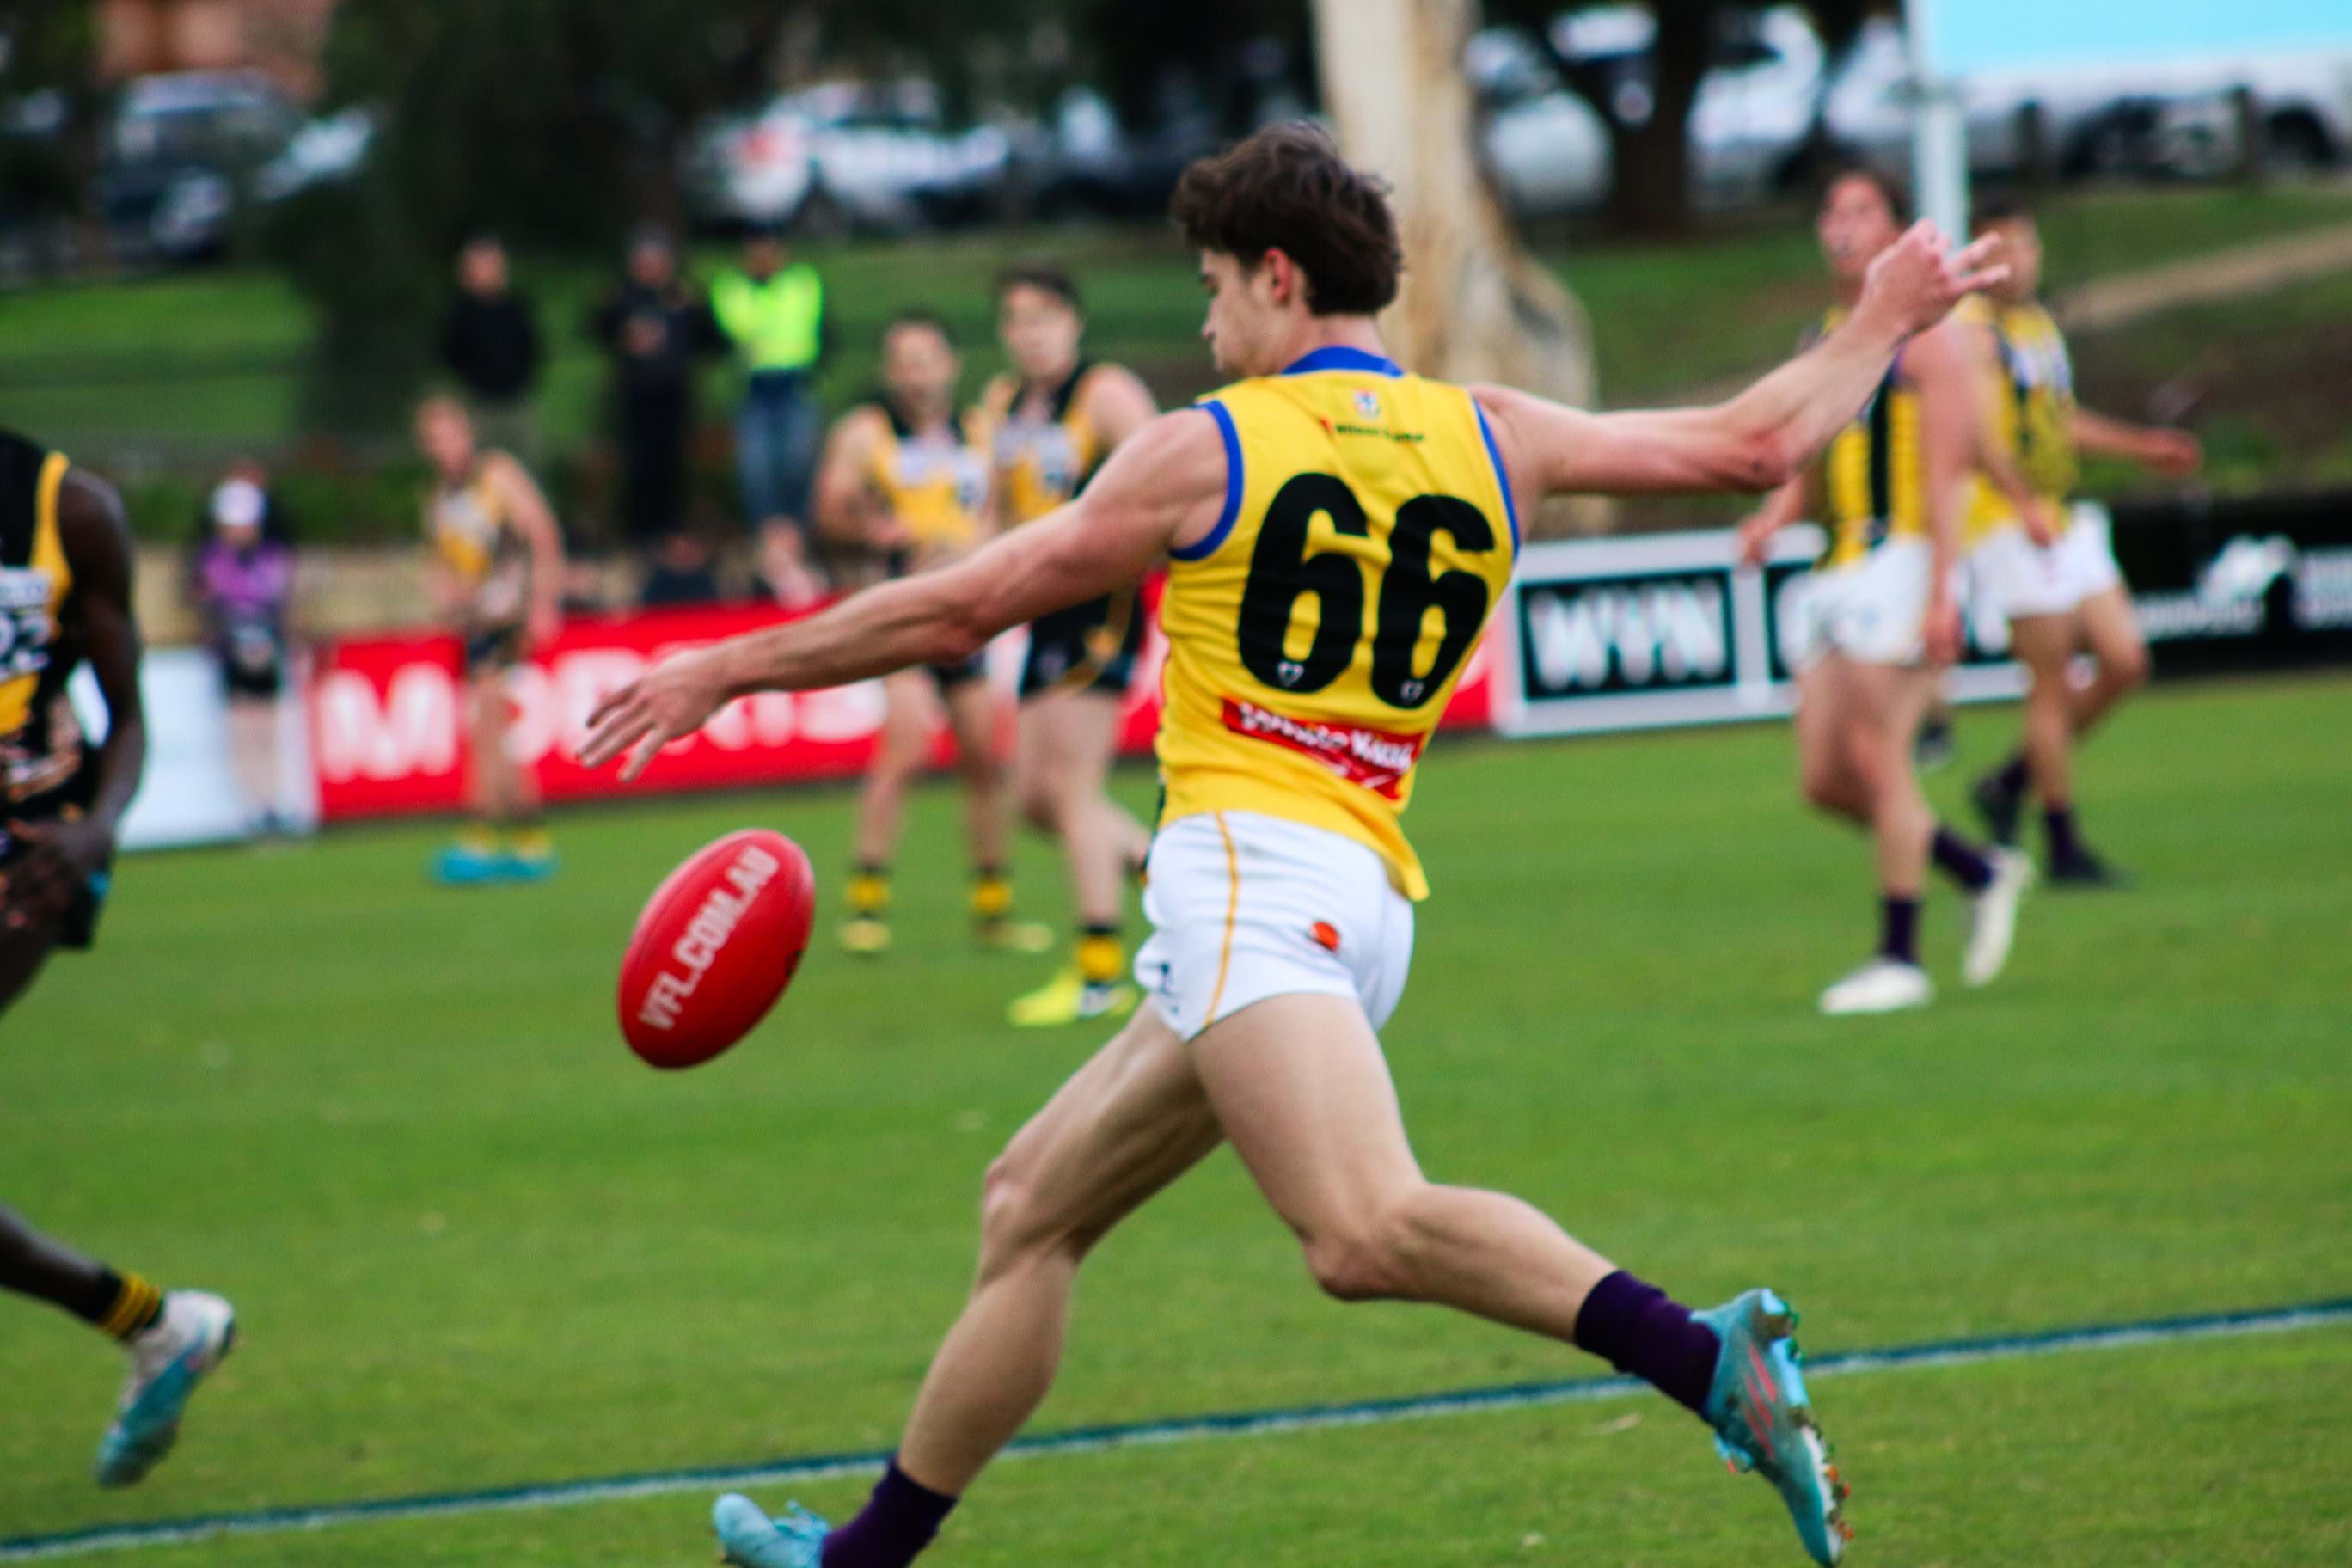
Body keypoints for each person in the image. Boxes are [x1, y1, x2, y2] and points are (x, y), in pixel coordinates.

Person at [583, 123, 2009, 1568]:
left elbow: (964, 608)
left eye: (1213, 287)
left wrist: (725, 667)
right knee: (1028, 1201)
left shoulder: (1206, 448)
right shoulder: (1490, 428)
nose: (1206, 324)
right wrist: (1884, 316)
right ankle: (857, 1556)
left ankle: (1706, 1360)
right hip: (1358, 893)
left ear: (1276, 276)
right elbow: (1752, 443)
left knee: (1361, 1231)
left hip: (1249, 884)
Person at [0, 426, 238, 1486]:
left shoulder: (66, 510)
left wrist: (99, 828)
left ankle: (155, 1325)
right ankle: (156, 1325)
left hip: (31, 856)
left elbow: (128, 715)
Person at [1737, 167, 2031, 1017]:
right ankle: (1978, 868)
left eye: (1861, 210)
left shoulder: (1930, 338)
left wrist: (1943, 591)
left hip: (1901, 561)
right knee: (1825, 779)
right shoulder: (1828, 334)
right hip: (1838, 566)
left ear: (1898, 231)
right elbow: (1805, 451)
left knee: (1879, 758)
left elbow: (1948, 474)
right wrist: (1771, 517)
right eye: (1830, 208)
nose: (1841, 224)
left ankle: (1900, 957)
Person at [1959, 193, 2202, 886]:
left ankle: (2009, 782)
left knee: (2125, 659)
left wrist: (2140, 446)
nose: (2018, 264)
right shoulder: (1971, 331)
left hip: (2056, 513)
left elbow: (2058, 419)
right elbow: (1979, 436)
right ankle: (2062, 844)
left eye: (2026, 247)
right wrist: (2021, 504)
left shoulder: (2036, 326)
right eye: (2001, 251)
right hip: (2005, 520)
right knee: (2052, 677)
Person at [809, 314, 1045, 959]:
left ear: (949, 364)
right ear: (890, 371)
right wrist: (885, 533)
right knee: (906, 745)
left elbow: (1002, 514)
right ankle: (867, 898)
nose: (917, 372)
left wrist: (977, 550)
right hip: (898, 611)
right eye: (904, 360)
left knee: (982, 759)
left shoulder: (978, 434)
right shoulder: (866, 433)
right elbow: (830, 506)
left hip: (965, 616)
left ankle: (993, 908)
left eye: (927, 358)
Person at [979, 266, 1160, 1027]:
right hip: (1041, 610)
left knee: (1073, 791)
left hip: (1099, 604)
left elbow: (1167, 481)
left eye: (1046, 316)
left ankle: (1098, 971)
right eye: (1018, 319)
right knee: (1034, 801)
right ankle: (1177, 881)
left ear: (1075, 323)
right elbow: (995, 511)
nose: (1032, 332)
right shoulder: (1004, 406)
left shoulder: (1106, 392)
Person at [415, 395, 566, 884]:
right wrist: (445, 594)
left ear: (467, 432)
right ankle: (526, 840)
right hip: (477, 623)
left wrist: (544, 601)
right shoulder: (439, 500)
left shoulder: (497, 475)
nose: (444, 447)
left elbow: (541, 533)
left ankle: (483, 837)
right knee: (491, 728)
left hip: (511, 616)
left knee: (488, 720)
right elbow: (450, 568)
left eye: (449, 434)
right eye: (434, 439)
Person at [712, 227, 828, 610]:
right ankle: (771, 554)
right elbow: (740, 326)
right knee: (758, 471)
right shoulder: (734, 288)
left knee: (799, 462)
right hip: (758, 389)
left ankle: (796, 548)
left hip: (793, 384)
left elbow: (797, 326)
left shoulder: (800, 283)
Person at [591, 230, 726, 549]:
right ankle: (640, 536)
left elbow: (714, 341)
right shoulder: (621, 296)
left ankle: (674, 534)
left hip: (673, 399)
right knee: (638, 468)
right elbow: (598, 329)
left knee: (674, 468)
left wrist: (691, 308)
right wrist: (628, 335)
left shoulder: (682, 295)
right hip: (635, 400)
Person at [187, 462, 297, 835]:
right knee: (243, 730)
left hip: (266, 655)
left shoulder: (270, 557)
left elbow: (279, 601)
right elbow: (208, 603)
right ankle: (253, 806)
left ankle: (273, 802)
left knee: (267, 729)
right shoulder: (211, 560)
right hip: (231, 657)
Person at [438, 232, 544, 462]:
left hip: (515, 401)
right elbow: (450, 354)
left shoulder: (515, 307)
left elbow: (532, 347)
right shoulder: (461, 312)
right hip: (479, 404)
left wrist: (521, 378)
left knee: (524, 463)